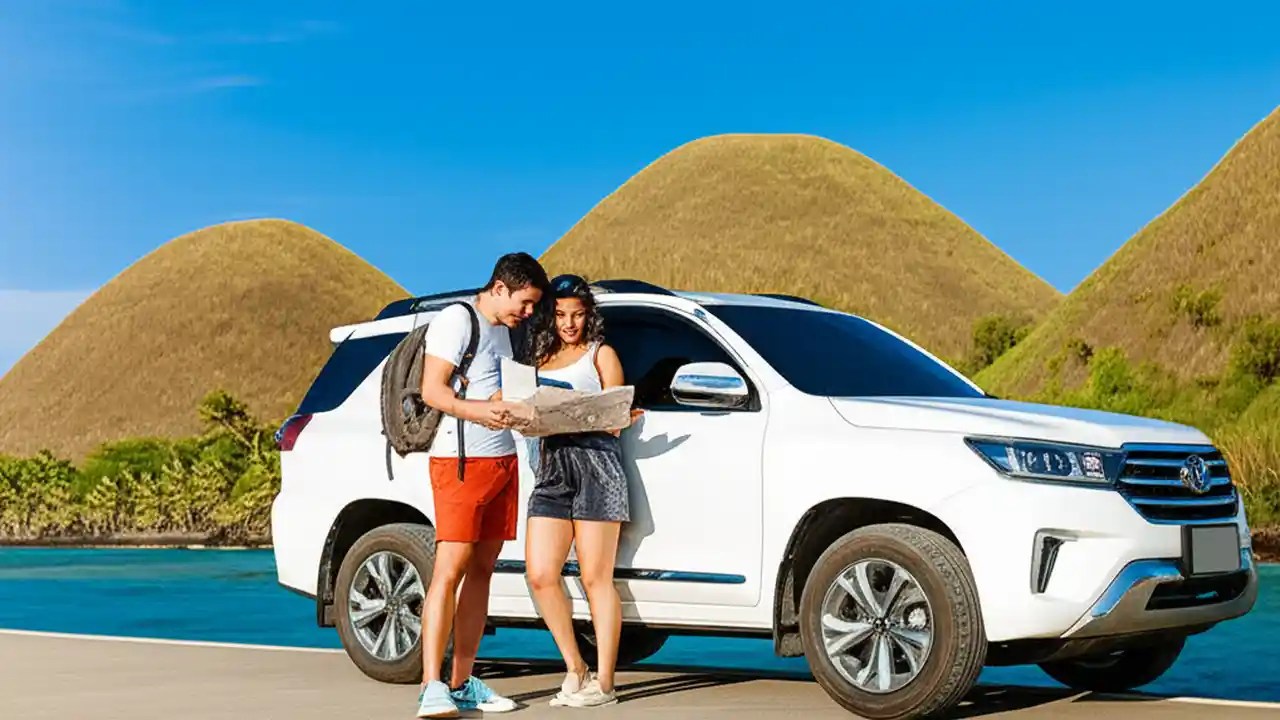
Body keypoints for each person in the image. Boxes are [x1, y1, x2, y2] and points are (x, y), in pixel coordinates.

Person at [415, 252, 550, 718]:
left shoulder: (506, 332)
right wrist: (482, 411)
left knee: (482, 571)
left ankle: (462, 680)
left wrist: (509, 404)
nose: (528, 313)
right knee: (448, 570)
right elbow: (433, 391)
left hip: (501, 460)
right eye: (525, 303)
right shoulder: (457, 320)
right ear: (500, 288)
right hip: (459, 460)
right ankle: (431, 685)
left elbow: (490, 388)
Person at [523, 273, 642, 708]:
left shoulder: (600, 355)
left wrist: (616, 415)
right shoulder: (538, 357)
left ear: (588, 314)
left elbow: (616, 414)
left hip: (597, 465)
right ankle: (575, 667)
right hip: (553, 466)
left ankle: (606, 684)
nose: (569, 323)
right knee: (539, 573)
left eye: (576, 314)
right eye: (560, 315)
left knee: (595, 577)